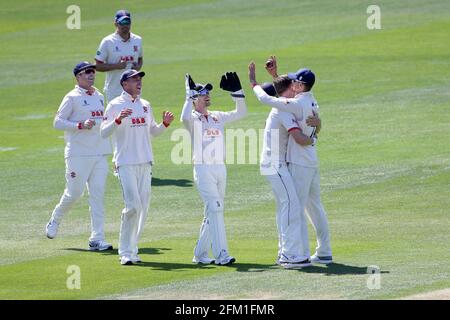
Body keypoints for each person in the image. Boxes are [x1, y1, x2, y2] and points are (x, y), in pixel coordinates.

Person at [249, 60, 332, 264]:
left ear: (301, 86)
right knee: (311, 206)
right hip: (309, 160)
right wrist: (275, 75)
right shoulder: (312, 101)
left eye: (296, 82)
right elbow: (284, 95)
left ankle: (295, 253)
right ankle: (322, 251)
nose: (294, 84)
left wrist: (253, 81)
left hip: (298, 162)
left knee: (294, 207)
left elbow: (270, 100)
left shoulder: (293, 105)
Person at [100, 69, 174, 265]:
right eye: (134, 79)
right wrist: (118, 120)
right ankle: (125, 252)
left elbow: (153, 132)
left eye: (139, 79)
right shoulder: (115, 105)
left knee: (142, 207)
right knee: (132, 206)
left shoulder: (145, 105)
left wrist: (165, 124)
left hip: (145, 162)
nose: (139, 82)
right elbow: (103, 132)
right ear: (124, 84)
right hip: (125, 162)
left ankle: (133, 249)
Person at [45, 61, 113, 252]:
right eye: (87, 72)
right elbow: (57, 122)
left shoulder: (99, 95)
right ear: (78, 77)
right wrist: (80, 125)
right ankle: (55, 219)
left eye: (93, 71)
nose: (92, 74)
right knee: (75, 193)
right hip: (78, 153)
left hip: (99, 152)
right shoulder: (72, 97)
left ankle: (97, 238)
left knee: (97, 196)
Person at [181, 72, 247, 266]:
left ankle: (200, 254)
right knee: (216, 209)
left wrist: (238, 93)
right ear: (195, 98)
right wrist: (188, 96)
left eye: (208, 92)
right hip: (203, 169)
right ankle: (222, 254)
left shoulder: (217, 116)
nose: (207, 95)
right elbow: (183, 117)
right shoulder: (192, 119)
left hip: (220, 167)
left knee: (213, 211)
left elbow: (241, 113)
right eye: (203, 93)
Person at [95, 10, 143, 103]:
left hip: (134, 89)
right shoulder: (108, 41)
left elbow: (140, 59)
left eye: (127, 22)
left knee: (135, 116)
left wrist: (138, 67)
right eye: (122, 22)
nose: (125, 25)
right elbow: (97, 66)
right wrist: (117, 66)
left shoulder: (137, 40)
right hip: (114, 90)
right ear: (116, 23)